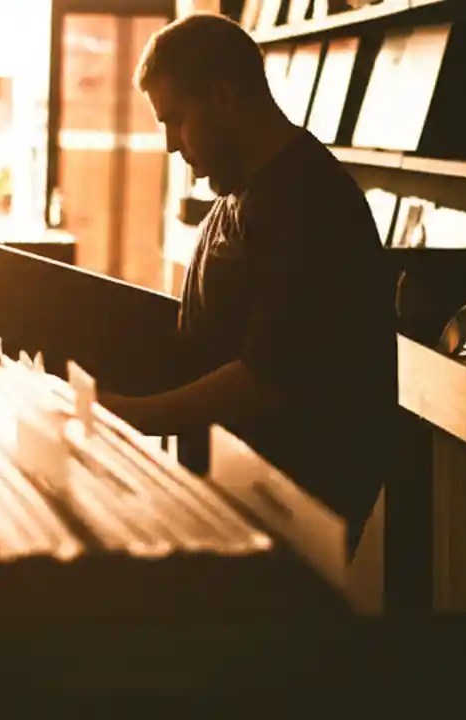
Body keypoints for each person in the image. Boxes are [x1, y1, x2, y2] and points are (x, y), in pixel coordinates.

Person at [97, 13, 397, 533]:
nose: (170, 143)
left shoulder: (307, 200)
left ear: (224, 99)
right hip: (238, 487)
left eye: (175, 119)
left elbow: (268, 376)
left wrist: (130, 415)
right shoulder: (241, 188)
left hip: (290, 501)